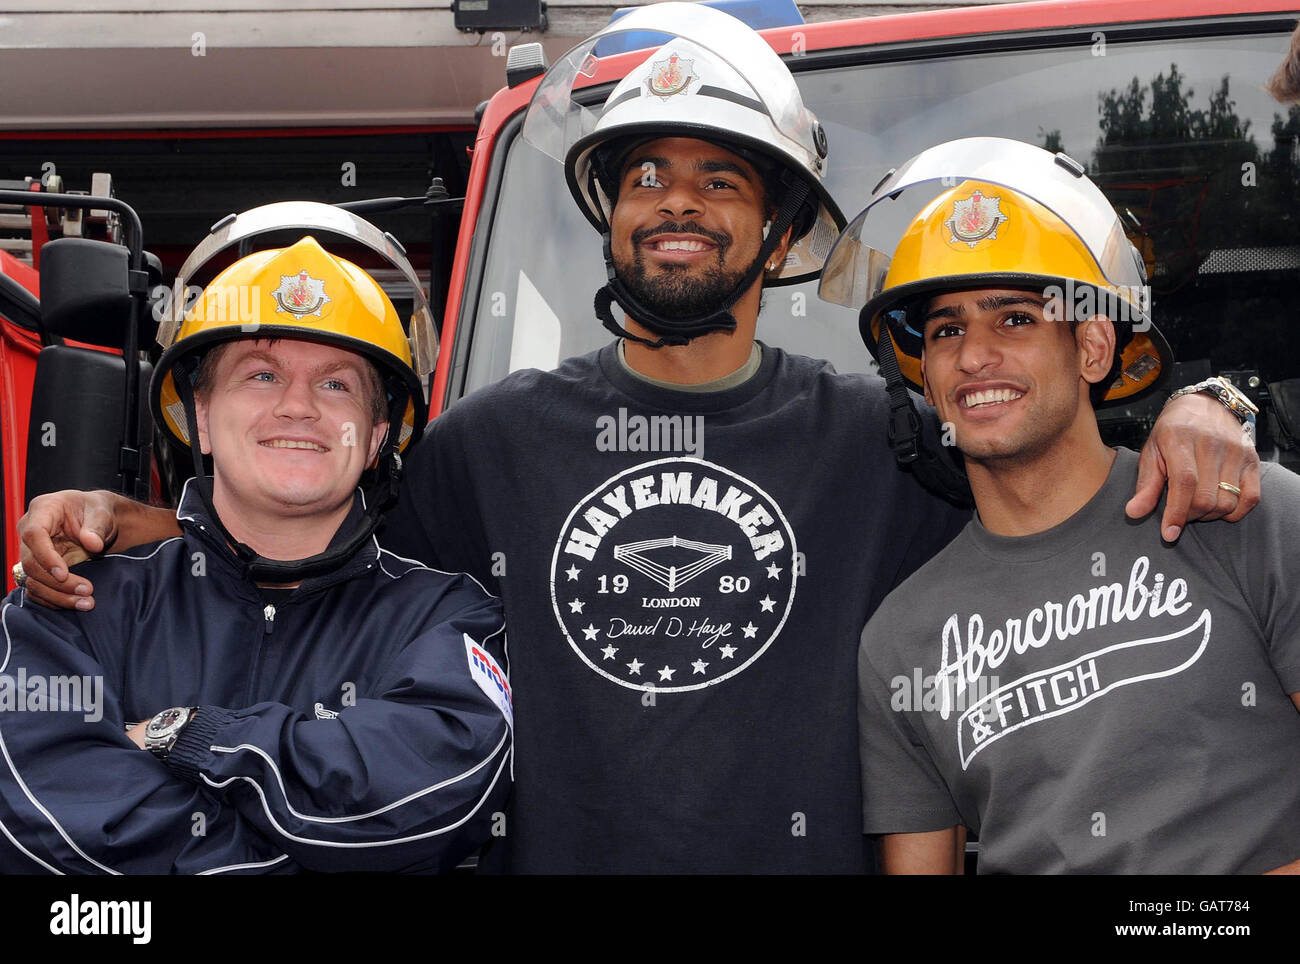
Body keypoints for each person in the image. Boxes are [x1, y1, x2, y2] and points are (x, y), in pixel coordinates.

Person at [16, 6, 1259, 873]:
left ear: (780, 233)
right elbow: (311, 542)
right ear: (608, 216)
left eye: (722, 180)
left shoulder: (878, 438)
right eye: (645, 175)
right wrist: (141, 519)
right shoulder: (486, 443)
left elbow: (1049, 461)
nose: (677, 202)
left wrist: (1203, 408)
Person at [0, 210, 512, 873]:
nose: (298, 406)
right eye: (262, 375)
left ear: (376, 439)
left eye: (336, 383)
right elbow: (49, 819)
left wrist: (190, 734)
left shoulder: (449, 618)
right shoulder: (73, 598)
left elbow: (428, 796)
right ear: (201, 416)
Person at [842, 139, 1300, 874]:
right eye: (947, 330)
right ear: (924, 375)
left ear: (1091, 347)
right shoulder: (898, 641)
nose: (974, 356)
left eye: (1014, 320)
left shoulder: (1243, 512)